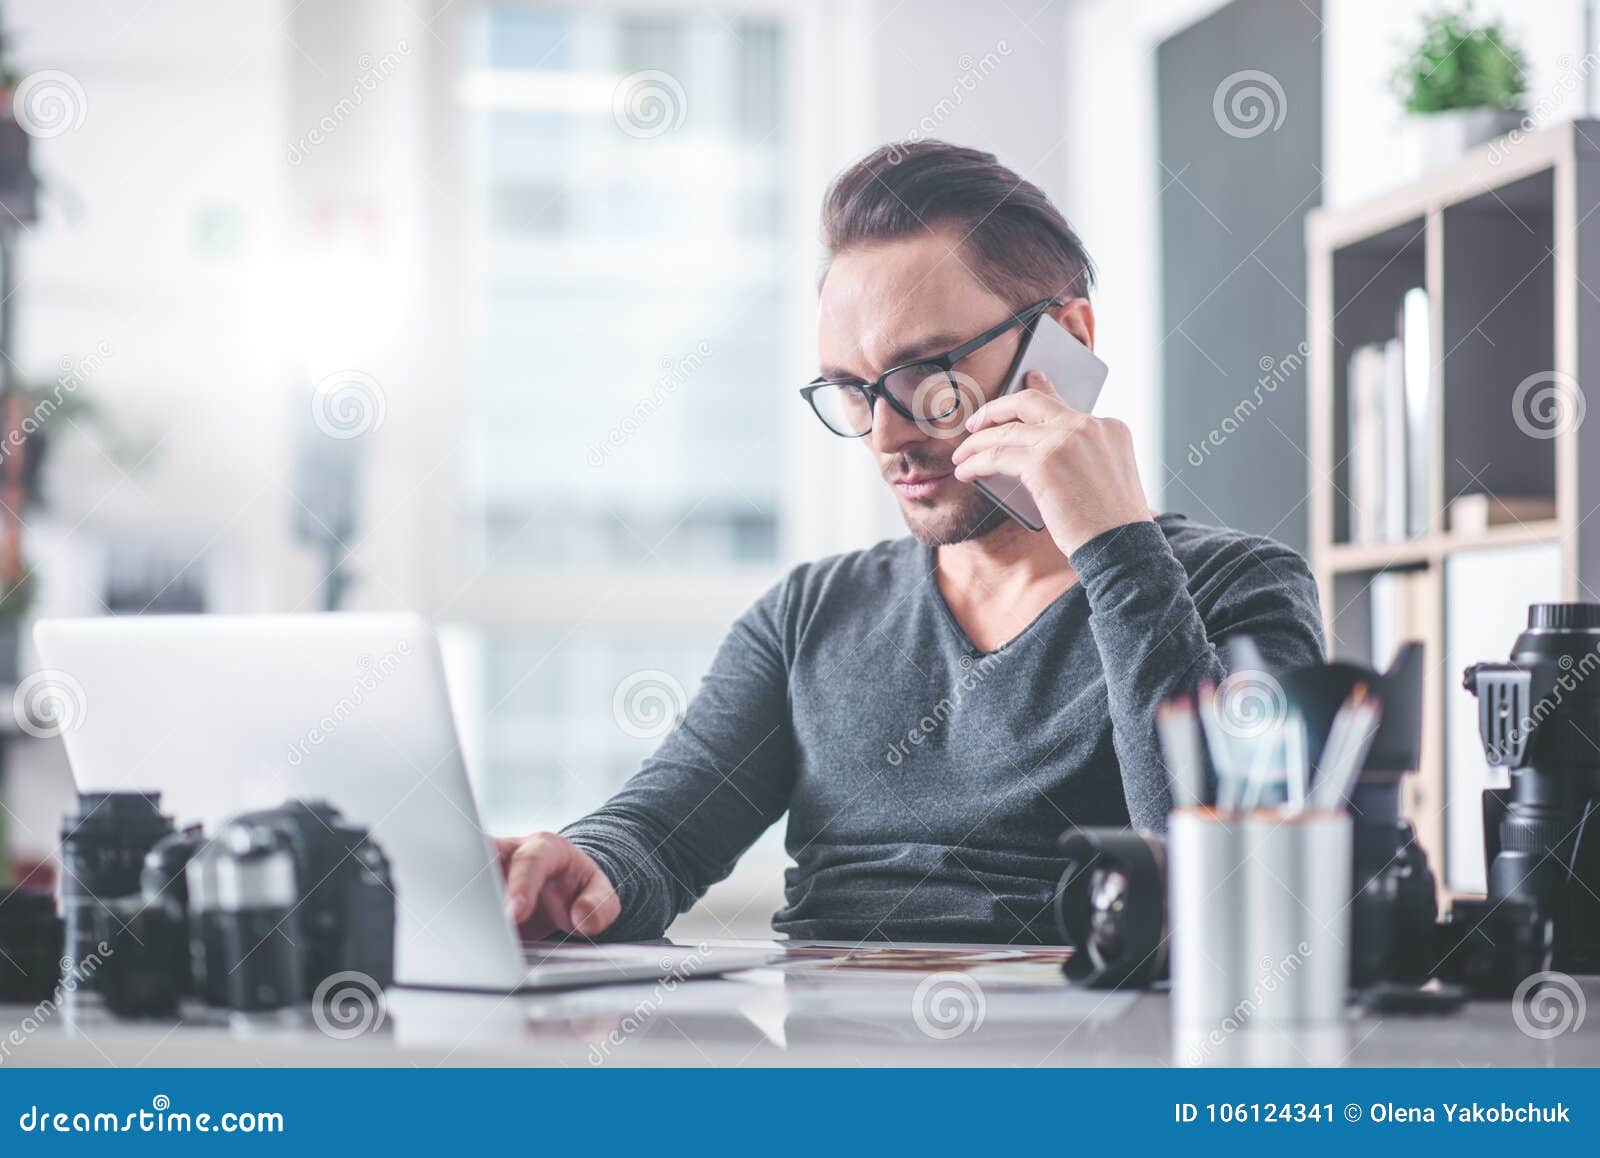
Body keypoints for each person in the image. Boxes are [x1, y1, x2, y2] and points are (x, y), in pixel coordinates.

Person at [494, 140, 1324, 945]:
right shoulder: (809, 614)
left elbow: (1243, 886)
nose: (886, 435)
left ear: (1066, 337)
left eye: (928, 374)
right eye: (852, 391)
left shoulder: (1236, 588)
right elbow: (658, 837)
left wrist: (1115, 544)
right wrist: (585, 866)